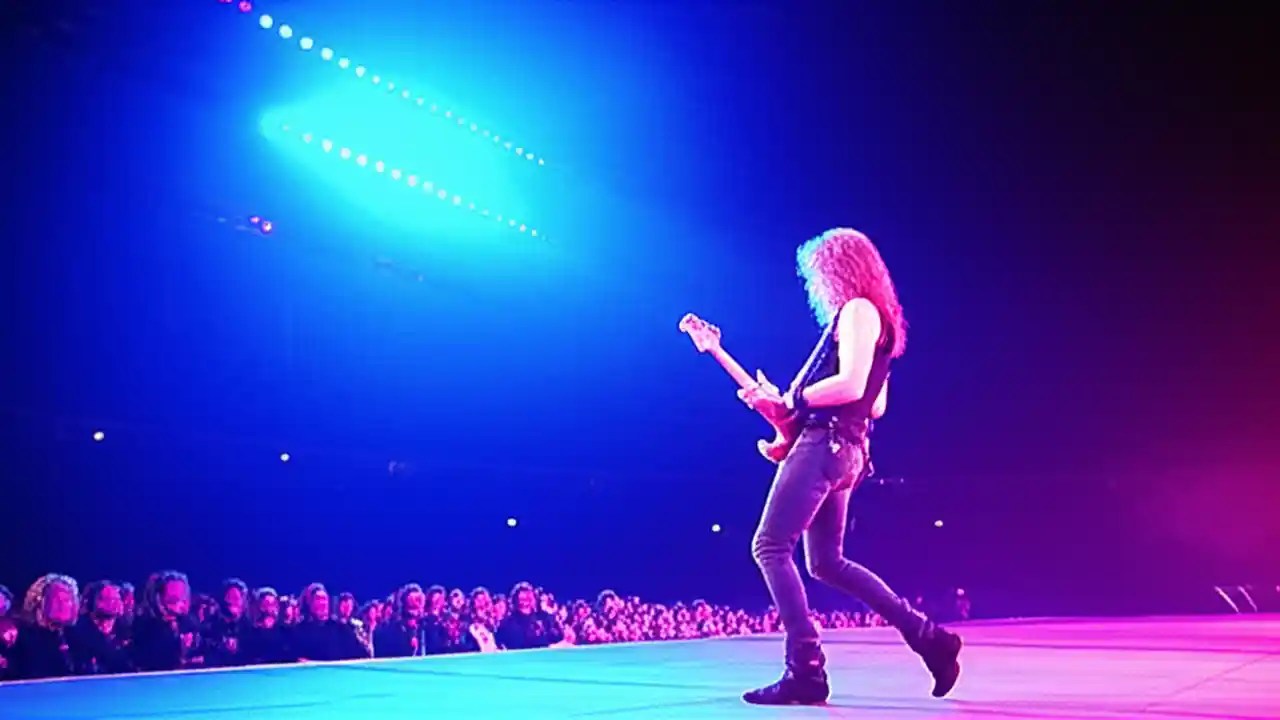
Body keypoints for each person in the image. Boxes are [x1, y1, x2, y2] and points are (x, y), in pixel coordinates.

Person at [736, 228, 961, 705]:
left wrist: (791, 397)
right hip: (849, 449)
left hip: (825, 445)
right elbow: (876, 404)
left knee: (770, 546)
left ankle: (806, 668)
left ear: (838, 268)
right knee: (826, 563)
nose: (816, 283)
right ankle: (930, 639)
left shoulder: (857, 311)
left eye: (819, 272)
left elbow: (852, 385)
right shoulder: (881, 323)